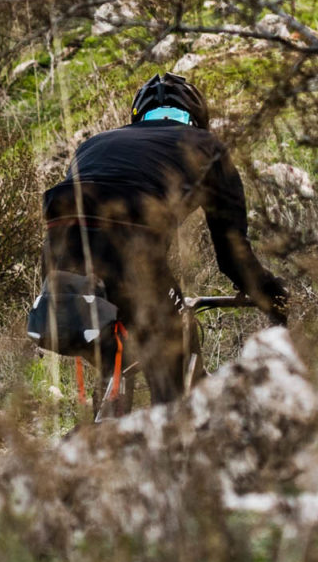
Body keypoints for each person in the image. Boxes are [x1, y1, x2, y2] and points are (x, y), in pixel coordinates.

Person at [41, 73, 289, 407]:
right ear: (196, 119)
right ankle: (172, 434)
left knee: (112, 338)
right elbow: (232, 255)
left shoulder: (93, 144)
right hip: (133, 256)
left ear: (138, 116)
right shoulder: (208, 148)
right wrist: (273, 297)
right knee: (174, 336)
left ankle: (110, 416)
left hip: (59, 256)